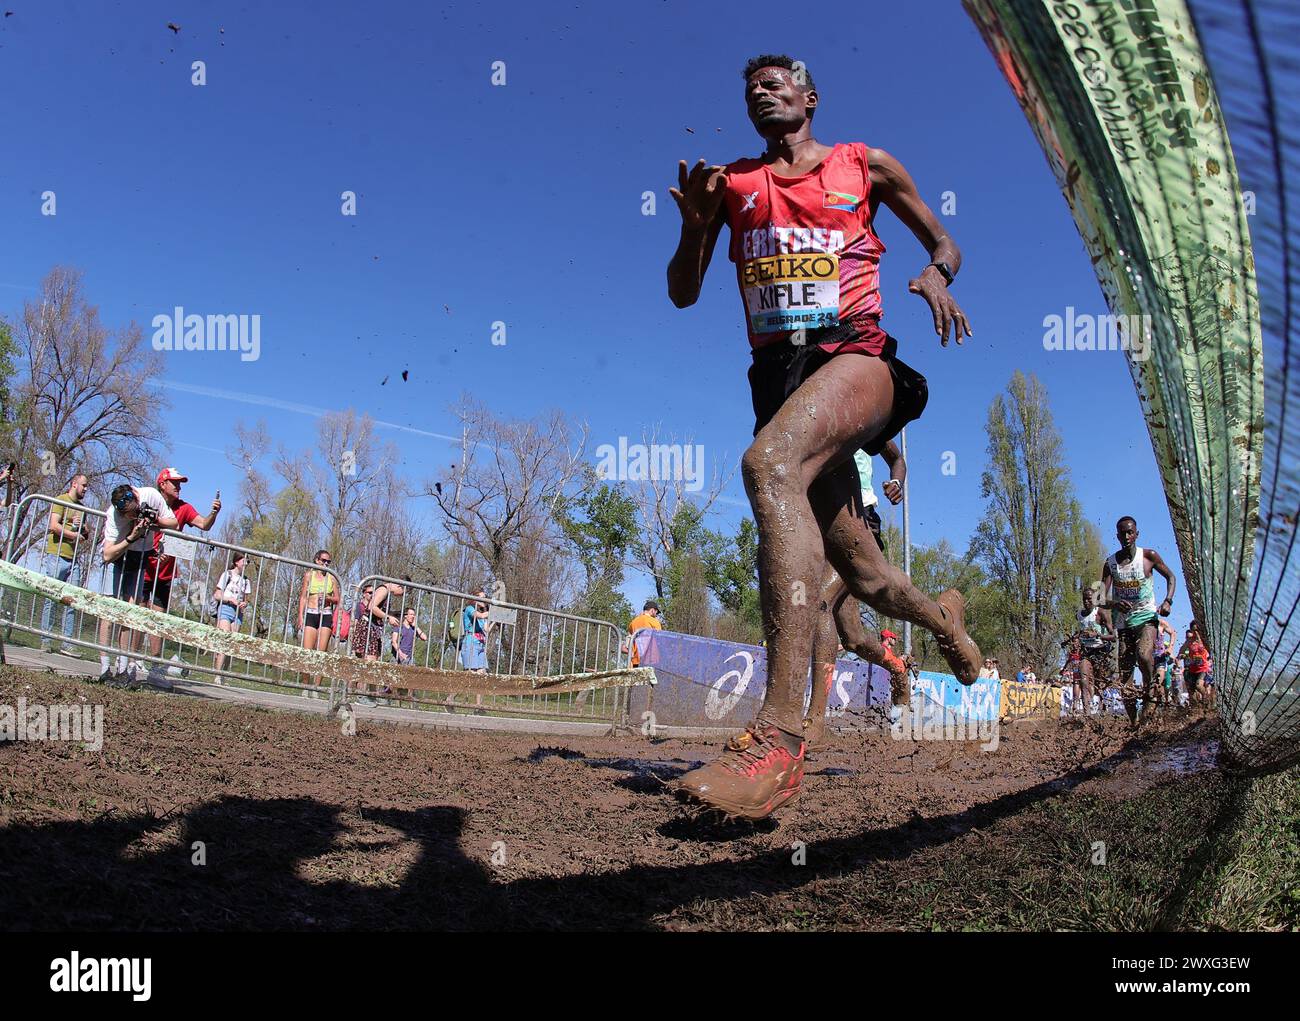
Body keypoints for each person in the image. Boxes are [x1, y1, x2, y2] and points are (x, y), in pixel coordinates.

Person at [666, 55, 983, 819]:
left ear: (810, 98)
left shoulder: (861, 164)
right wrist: (695, 226)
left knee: (767, 463)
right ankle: (947, 620)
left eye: (776, 83)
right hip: (782, 384)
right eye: (750, 88)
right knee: (869, 578)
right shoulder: (734, 185)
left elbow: (945, 242)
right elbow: (682, 291)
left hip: (858, 360)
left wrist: (937, 275)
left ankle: (777, 737)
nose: (761, 92)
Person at [804, 441, 910, 747]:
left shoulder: (866, 419)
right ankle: (897, 667)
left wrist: (896, 482)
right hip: (823, 522)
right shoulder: (817, 416)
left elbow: (897, 457)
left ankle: (815, 720)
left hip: (860, 521)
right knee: (853, 638)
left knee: (820, 604)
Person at [143, 468, 221, 686]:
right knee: (137, 617)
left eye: (180, 483)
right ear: (162, 484)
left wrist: (214, 512)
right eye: (174, 483)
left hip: (164, 574)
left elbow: (204, 525)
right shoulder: (150, 502)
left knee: (158, 622)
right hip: (142, 567)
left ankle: (155, 670)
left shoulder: (184, 508)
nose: (179, 487)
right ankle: (129, 664)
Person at [98, 483, 179, 684]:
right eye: (128, 515)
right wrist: (131, 538)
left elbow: (174, 523)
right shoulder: (114, 516)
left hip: (140, 557)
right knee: (109, 610)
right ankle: (104, 666)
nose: (133, 517)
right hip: (118, 554)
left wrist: (155, 521)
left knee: (130, 612)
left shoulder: (150, 495)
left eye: (134, 512)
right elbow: (107, 555)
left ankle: (123, 668)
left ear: (136, 497)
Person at [1102, 516, 1177, 726]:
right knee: (1124, 677)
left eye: (1130, 532)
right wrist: (1115, 604)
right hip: (1124, 624)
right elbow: (1100, 597)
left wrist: (1168, 601)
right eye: (1122, 533)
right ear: (1117, 536)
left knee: (1144, 655)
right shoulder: (1110, 564)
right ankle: (1135, 722)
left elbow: (1171, 577)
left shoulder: (1148, 556)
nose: (1126, 536)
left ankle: (1152, 692)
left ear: (1136, 533)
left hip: (1147, 619)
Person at [40, 473, 89, 655]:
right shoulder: (61, 500)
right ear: (74, 484)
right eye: (83, 485)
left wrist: (82, 528)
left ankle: (67, 643)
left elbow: (86, 534)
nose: (85, 489)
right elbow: (53, 525)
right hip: (56, 556)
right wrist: (73, 535)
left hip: (74, 559)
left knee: (72, 601)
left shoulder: (82, 508)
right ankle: (45, 640)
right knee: (51, 598)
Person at [297, 549, 340, 693]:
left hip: (325, 614)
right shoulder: (309, 575)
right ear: (317, 560)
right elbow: (303, 596)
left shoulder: (332, 578)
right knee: (307, 652)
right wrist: (300, 616)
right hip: (311, 612)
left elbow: (338, 599)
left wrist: (328, 598)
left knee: (321, 654)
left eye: (328, 561)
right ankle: (305, 685)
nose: (326, 564)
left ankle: (316, 687)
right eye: (323, 560)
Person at [1072, 583, 1115, 713]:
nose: (1086, 602)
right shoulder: (1079, 615)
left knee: (1099, 683)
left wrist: (1098, 634)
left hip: (1101, 651)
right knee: (1084, 680)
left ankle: (1103, 708)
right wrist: (1076, 638)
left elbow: (1113, 636)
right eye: (1084, 599)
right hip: (1087, 651)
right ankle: (1087, 714)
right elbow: (1079, 631)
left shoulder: (1100, 613)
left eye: (1089, 599)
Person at [211, 553, 252, 682]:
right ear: (236, 562)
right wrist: (229, 599)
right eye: (243, 560)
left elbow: (246, 599)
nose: (246, 563)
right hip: (225, 608)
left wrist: (245, 603)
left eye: (247, 561)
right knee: (224, 641)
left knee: (231, 644)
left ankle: (223, 674)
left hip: (238, 613)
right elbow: (217, 594)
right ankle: (217, 674)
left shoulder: (246, 580)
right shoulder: (227, 575)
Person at [1178, 622, 1211, 710]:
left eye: (1197, 630)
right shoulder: (1190, 641)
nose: (1196, 632)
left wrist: (1210, 659)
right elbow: (1181, 650)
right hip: (1192, 669)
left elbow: (1210, 650)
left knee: (1199, 685)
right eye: (1194, 630)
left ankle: (1206, 698)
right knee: (1192, 692)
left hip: (1203, 668)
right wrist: (1180, 655)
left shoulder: (1204, 639)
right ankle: (1197, 709)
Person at [460, 589, 493, 672]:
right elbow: (480, 616)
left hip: (481, 645)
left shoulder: (483, 612)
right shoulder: (469, 609)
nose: (484, 600)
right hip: (470, 643)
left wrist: (496, 619)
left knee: (482, 672)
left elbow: (487, 629)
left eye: (485, 598)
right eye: (481, 598)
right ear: (474, 599)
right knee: (471, 672)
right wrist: (492, 612)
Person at [627, 599, 663, 667]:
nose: (656, 615)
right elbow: (660, 640)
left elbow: (629, 641)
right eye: (656, 612)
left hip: (636, 659)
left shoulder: (633, 622)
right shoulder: (654, 621)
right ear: (652, 610)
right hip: (651, 659)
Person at [1152, 617, 1178, 706]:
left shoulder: (1161, 623)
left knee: (1158, 683)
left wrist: (1170, 647)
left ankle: (1163, 704)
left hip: (1160, 657)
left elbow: (1173, 633)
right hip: (1148, 659)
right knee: (1150, 687)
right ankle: (1157, 707)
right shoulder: (1142, 622)